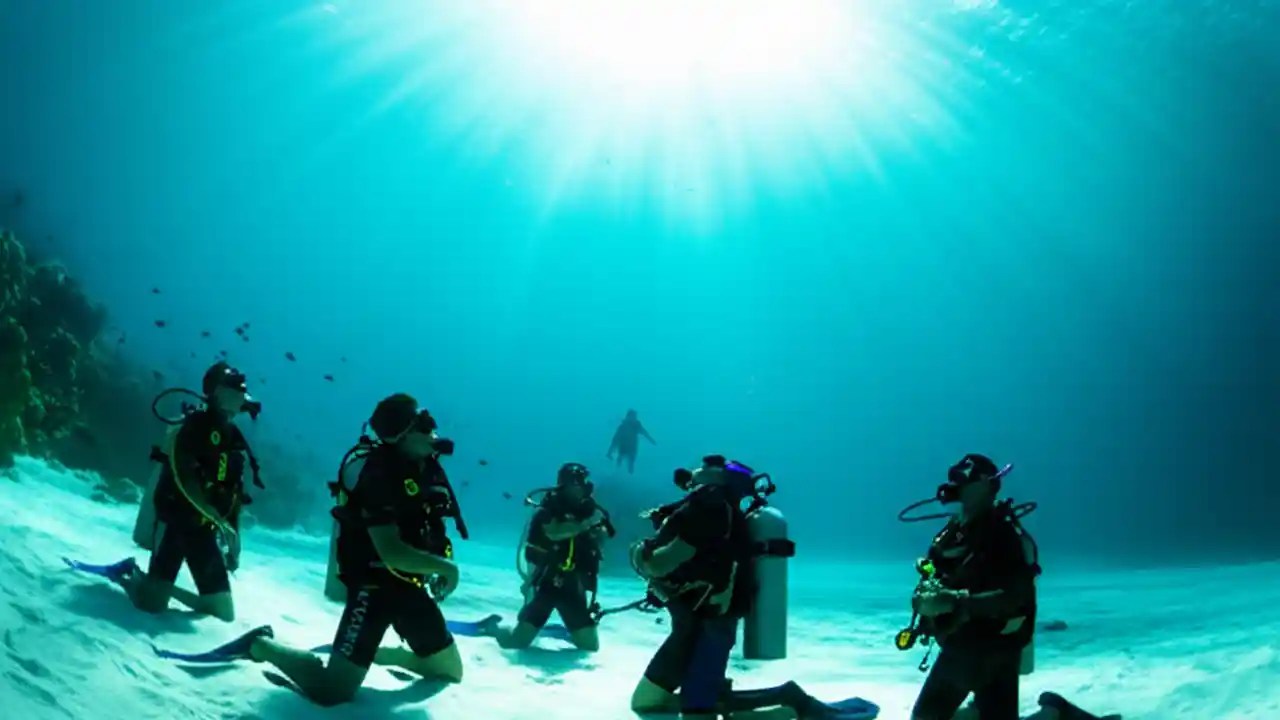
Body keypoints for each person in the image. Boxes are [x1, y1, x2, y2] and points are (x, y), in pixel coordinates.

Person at [245, 393, 465, 706]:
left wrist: (439, 559)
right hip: (373, 588)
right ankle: (261, 644)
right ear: (401, 434)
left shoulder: (426, 468)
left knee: (449, 672)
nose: (435, 430)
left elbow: (432, 525)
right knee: (331, 692)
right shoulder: (379, 474)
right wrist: (446, 568)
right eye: (426, 424)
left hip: (409, 584)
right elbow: (390, 551)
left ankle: (382, 654)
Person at [628, 455, 825, 720]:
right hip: (691, 618)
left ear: (715, 476)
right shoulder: (707, 506)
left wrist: (638, 553)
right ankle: (731, 696)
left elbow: (660, 564)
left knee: (698, 712)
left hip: (711, 619)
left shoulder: (707, 508)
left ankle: (789, 702)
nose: (696, 471)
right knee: (646, 703)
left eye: (705, 468)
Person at [115, 361, 261, 622]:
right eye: (232, 390)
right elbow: (185, 479)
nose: (239, 397)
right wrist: (219, 520)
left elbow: (234, 492)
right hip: (174, 522)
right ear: (215, 393)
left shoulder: (234, 438)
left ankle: (157, 586)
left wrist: (233, 539)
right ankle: (132, 576)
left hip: (204, 530)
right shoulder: (194, 427)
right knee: (151, 606)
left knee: (223, 613)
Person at [906, 454, 1040, 720]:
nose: (955, 484)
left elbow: (1015, 595)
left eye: (964, 478)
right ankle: (1054, 711)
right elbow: (938, 571)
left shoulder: (1001, 535)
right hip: (983, 645)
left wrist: (953, 601)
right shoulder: (955, 530)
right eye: (954, 477)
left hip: (979, 646)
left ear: (986, 486)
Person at [494, 462, 613, 651]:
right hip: (546, 583)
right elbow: (554, 532)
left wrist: (599, 533)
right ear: (564, 485)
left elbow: (598, 541)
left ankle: (571, 629)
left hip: (573, 584)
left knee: (590, 647)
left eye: (585, 483)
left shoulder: (587, 511)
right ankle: (496, 629)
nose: (584, 488)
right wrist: (586, 524)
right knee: (517, 643)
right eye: (578, 484)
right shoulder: (548, 509)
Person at [607, 409, 655, 474]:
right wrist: (610, 452)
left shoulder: (636, 426)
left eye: (634, 416)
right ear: (628, 417)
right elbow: (615, 440)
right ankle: (617, 475)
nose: (634, 418)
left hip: (632, 448)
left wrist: (651, 440)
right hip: (623, 448)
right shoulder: (622, 427)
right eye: (632, 416)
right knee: (620, 461)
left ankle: (629, 477)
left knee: (630, 464)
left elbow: (645, 433)